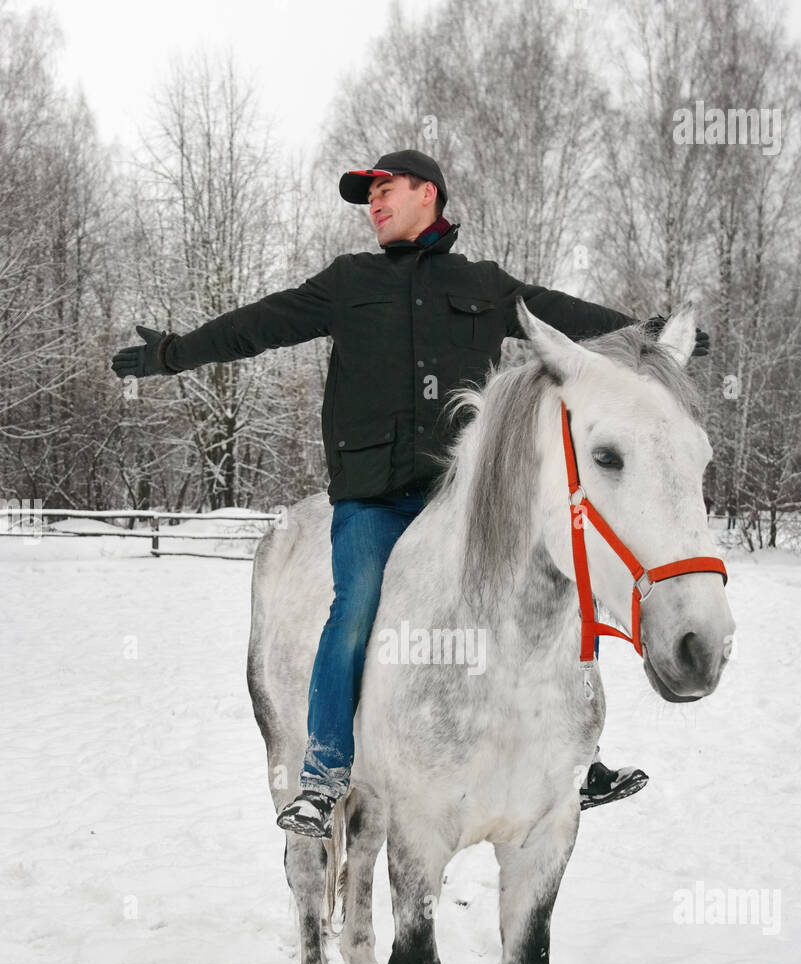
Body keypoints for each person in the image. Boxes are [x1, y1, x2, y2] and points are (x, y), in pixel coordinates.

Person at [113, 150, 708, 838]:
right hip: (370, 495)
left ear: (427, 193)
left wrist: (653, 337)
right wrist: (171, 354)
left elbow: (570, 318)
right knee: (356, 604)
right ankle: (325, 771)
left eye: (384, 189)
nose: (373, 204)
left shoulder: (484, 285)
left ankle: (584, 753)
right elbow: (259, 324)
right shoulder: (348, 282)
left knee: (559, 579)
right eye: (368, 195)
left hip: (461, 498)